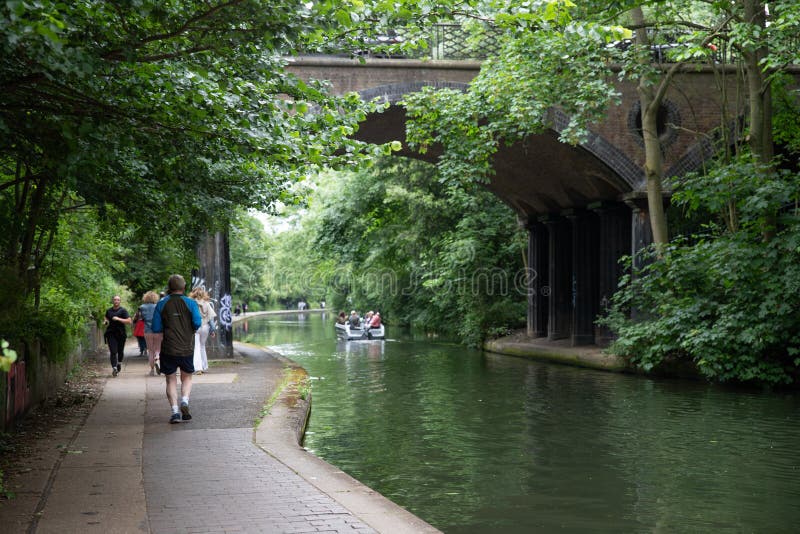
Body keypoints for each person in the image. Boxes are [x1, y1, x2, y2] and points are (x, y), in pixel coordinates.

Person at [151, 274, 202, 424]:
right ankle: (185, 401)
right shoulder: (191, 303)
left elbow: (155, 327)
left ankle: (174, 412)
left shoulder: (161, 304)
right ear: (183, 287)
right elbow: (197, 323)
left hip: (169, 348)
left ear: (169, 287)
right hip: (187, 347)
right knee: (187, 377)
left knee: (170, 379)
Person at [189, 287, 216, 375]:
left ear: (194, 294)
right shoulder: (207, 304)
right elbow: (211, 319)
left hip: (196, 327)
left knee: (196, 346)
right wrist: (212, 330)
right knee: (202, 346)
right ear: (203, 294)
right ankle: (204, 366)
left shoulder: (191, 304)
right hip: (205, 327)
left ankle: (198, 368)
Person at [103, 295, 132, 377]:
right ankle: (114, 368)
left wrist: (118, 319)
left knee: (120, 351)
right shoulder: (109, 311)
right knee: (113, 351)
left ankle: (119, 363)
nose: (116, 301)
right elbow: (106, 318)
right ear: (112, 301)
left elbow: (129, 321)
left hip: (121, 334)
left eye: (118, 300)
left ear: (120, 301)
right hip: (111, 333)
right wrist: (105, 322)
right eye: (115, 300)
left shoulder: (123, 311)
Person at [139, 291, 162, 376]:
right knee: (158, 349)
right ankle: (157, 358)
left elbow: (140, 318)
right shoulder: (158, 306)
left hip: (147, 330)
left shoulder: (141, 307)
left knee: (150, 350)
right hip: (158, 330)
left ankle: (152, 370)